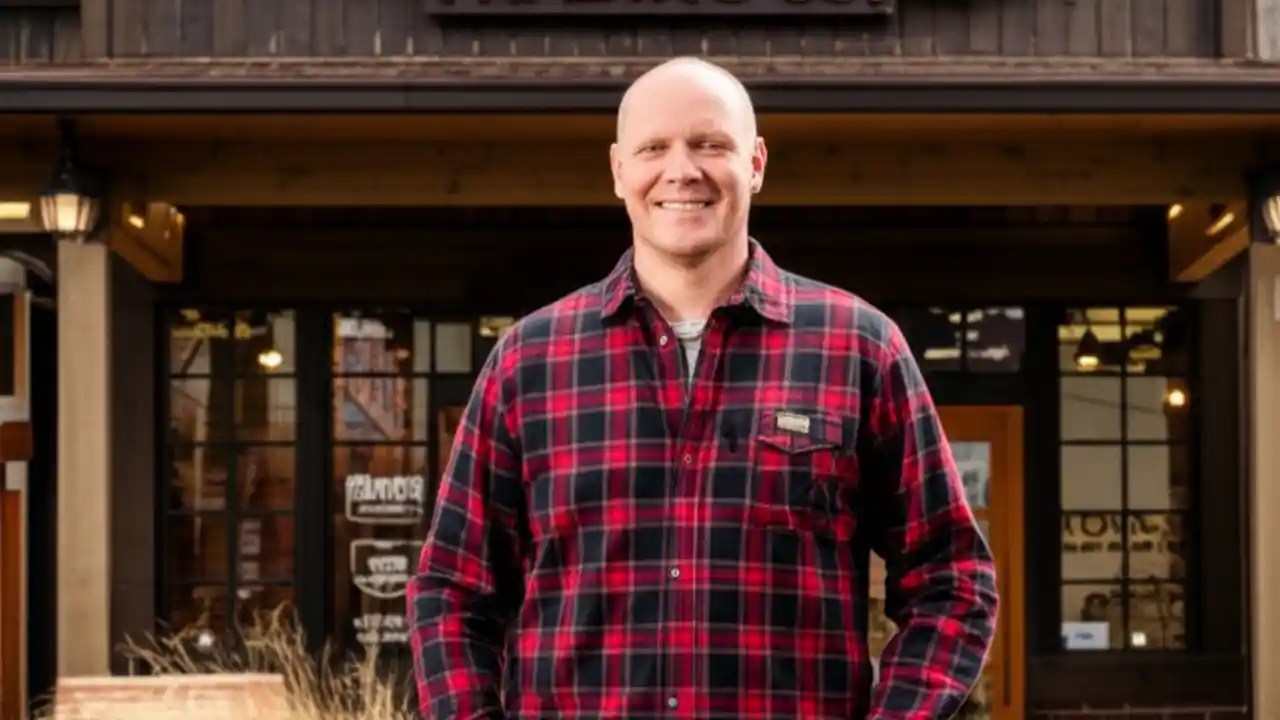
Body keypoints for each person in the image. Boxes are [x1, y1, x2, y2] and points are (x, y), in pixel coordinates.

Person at [407, 56, 999, 719]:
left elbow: (951, 581)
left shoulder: (858, 348)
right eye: (654, 147)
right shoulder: (529, 363)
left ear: (756, 163)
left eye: (710, 144)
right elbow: (452, 593)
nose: (681, 170)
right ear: (618, 170)